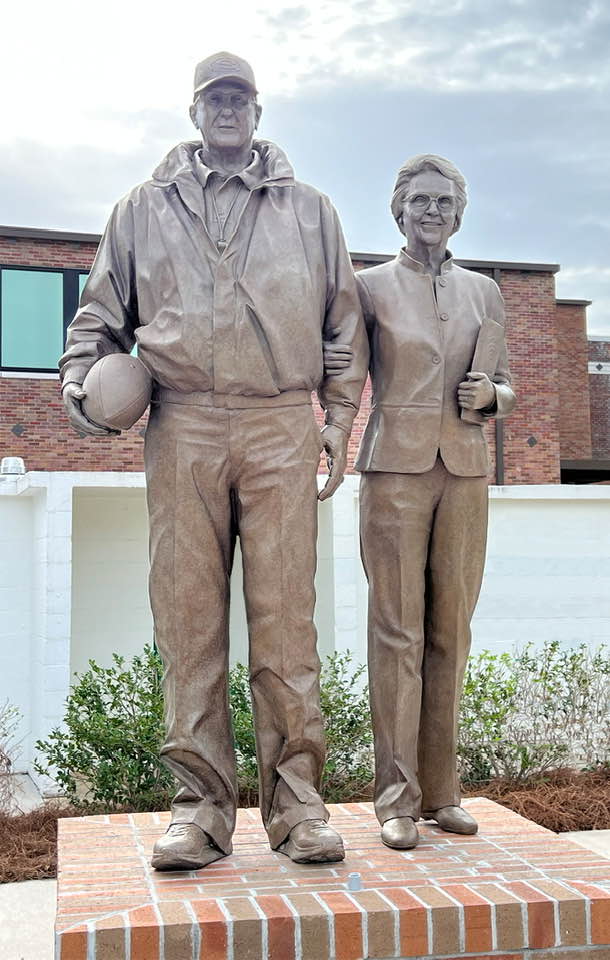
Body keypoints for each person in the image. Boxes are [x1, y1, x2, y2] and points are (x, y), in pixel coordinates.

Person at [59, 52, 368, 870]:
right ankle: (198, 810)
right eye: (213, 99)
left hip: (280, 422)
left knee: (287, 622)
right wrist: (81, 386)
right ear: (194, 111)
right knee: (188, 622)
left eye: (239, 98)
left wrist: (338, 419)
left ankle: (298, 808)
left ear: (257, 110)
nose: (227, 110)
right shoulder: (141, 208)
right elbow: (98, 319)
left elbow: (344, 325)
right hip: (183, 421)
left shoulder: (312, 211)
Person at [355, 154, 516, 850]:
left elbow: (505, 383)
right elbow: (343, 375)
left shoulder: (486, 292)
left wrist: (493, 396)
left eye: (443, 201)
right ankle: (396, 798)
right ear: (399, 210)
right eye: (419, 200)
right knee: (398, 633)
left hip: (466, 470)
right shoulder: (368, 287)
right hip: (393, 470)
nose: (431, 211)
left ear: (459, 213)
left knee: (452, 630)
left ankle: (442, 791)